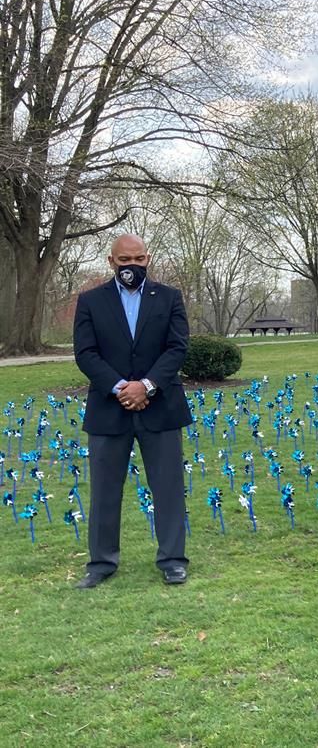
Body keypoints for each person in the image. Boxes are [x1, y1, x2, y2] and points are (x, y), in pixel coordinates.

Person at [72, 234, 193, 588]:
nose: (132, 265)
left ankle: (173, 560)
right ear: (111, 261)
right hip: (109, 409)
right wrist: (121, 387)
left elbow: (177, 347)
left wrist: (147, 386)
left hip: (161, 407)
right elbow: (86, 353)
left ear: (148, 259)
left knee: (168, 488)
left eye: (139, 259)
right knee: (104, 491)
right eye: (125, 259)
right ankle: (101, 563)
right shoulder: (91, 301)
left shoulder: (169, 297)